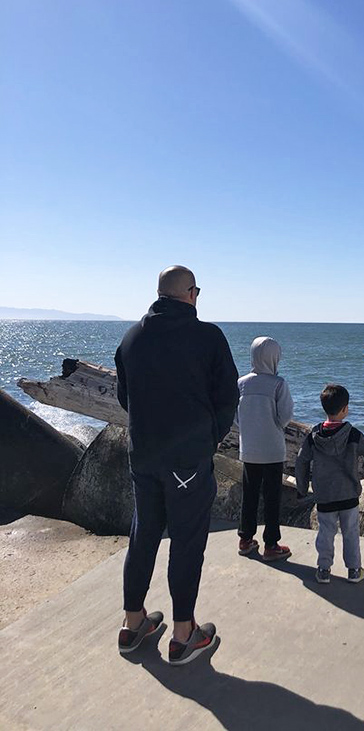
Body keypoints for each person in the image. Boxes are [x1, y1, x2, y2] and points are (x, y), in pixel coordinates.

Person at [114, 265, 239, 666]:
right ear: (189, 294)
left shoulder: (132, 337)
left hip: (143, 456)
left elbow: (123, 397)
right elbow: (227, 397)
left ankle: (133, 623)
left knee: (144, 534)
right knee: (186, 543)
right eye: (197, 291)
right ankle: (185, 635)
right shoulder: (207, 336)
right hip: (186, 460)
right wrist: (207, 439)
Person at [295, 384, 364, 584]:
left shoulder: (314, 436)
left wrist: (301, 489)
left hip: (324, 495)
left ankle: (324, 569)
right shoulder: (353, 435)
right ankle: (354, 570)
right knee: (351, 533)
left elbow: (301, 461)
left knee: (325, 532)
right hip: (349, 495)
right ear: (345, 409)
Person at [236, 336, 294, 561]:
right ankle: (271, 544)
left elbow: (236, 417)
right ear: (274, 357)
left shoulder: (241, 383)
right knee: (272, 497)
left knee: (249, 495)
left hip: (249, 449)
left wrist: (250, 429)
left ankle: (245, 539)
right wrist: (273, 426)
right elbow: (286, 416)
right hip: (272, 450)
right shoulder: (278, 384)